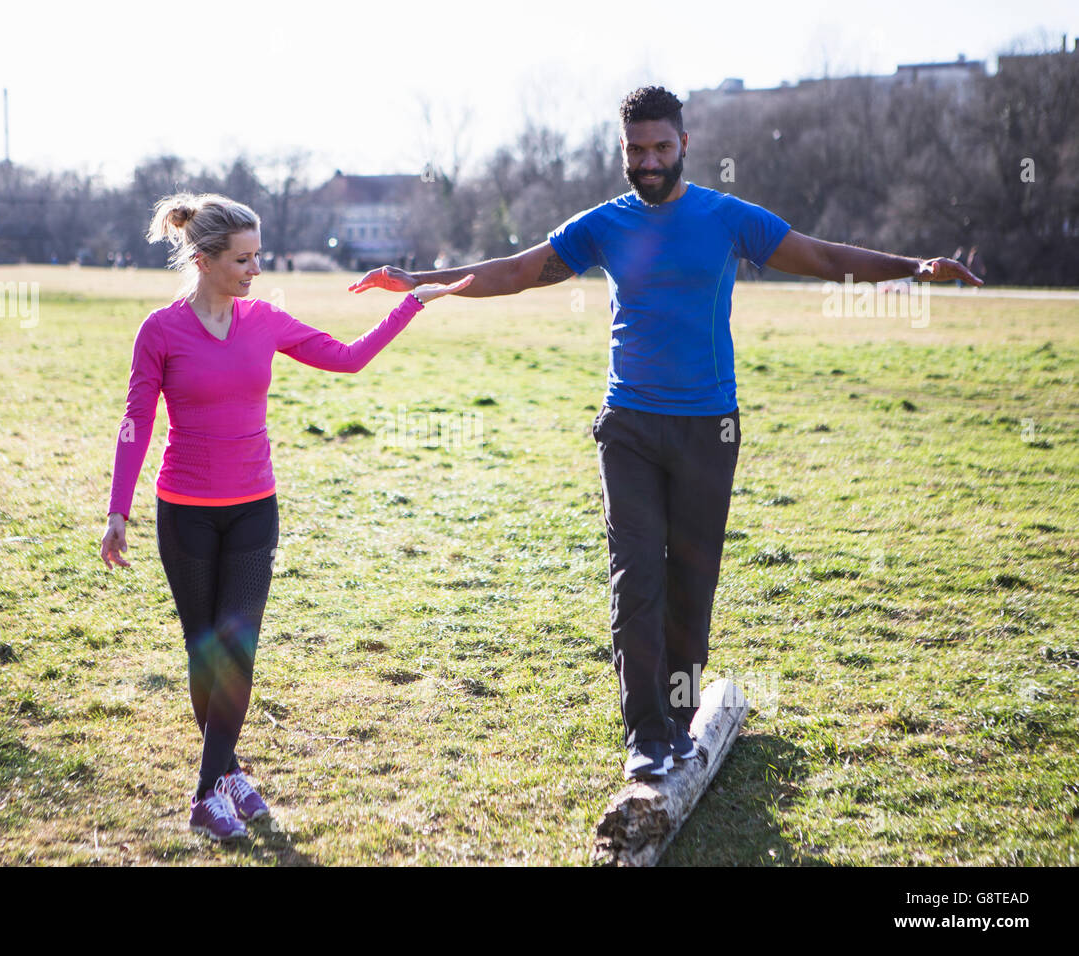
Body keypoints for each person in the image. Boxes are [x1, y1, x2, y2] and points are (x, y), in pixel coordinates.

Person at [350, 86, 982, 782]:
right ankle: (645, 734)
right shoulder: (603, 225)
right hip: (629, 426)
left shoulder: (728, 218)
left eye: (660, 148)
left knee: (691, 581)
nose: (648, 161)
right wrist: (421, 282)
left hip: (709, 428)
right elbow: (517, 270)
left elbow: (824, 259)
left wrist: (914, 266)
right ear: (622, 151)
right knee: (636, 578)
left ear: (685, 146)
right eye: (635, 150)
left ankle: (681, 719)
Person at [100, 193, 471, 839]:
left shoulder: (265, 321)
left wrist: (410, 304)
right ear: (204, 257)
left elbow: (348, 358)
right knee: (204, 651)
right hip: (184, 512)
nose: (255, 271)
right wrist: (117, 511)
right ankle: (231, 776)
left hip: (253, 509)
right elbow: (137, 421)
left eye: (258, 257)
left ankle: (204, 794)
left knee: (236, 652)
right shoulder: (161, 331)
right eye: (243, 260)